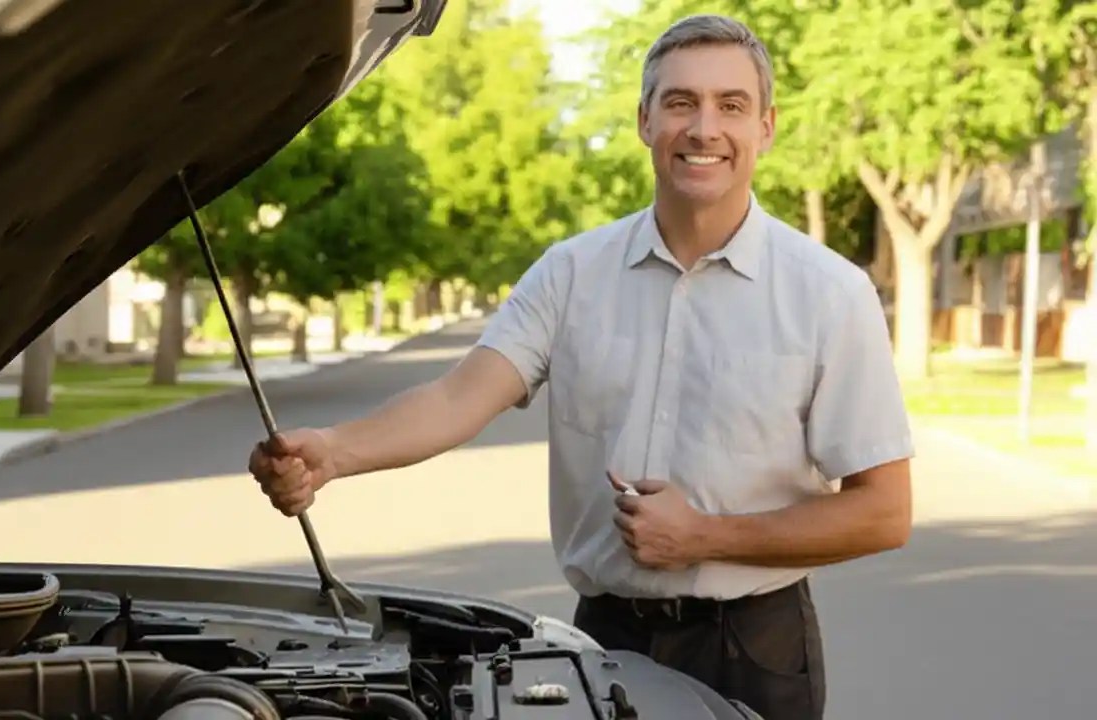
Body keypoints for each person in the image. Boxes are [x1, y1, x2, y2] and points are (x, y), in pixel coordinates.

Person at [248, 13, 913, 720]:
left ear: (767, 128)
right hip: (602, 640)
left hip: (754, 649)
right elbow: (456, 398)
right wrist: (332, 452)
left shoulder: (830, 292)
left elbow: (883, 512)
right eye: (681, 102)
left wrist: (705, 537)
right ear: (645, 122)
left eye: (731, 106)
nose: (704, 128)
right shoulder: (570, 274)